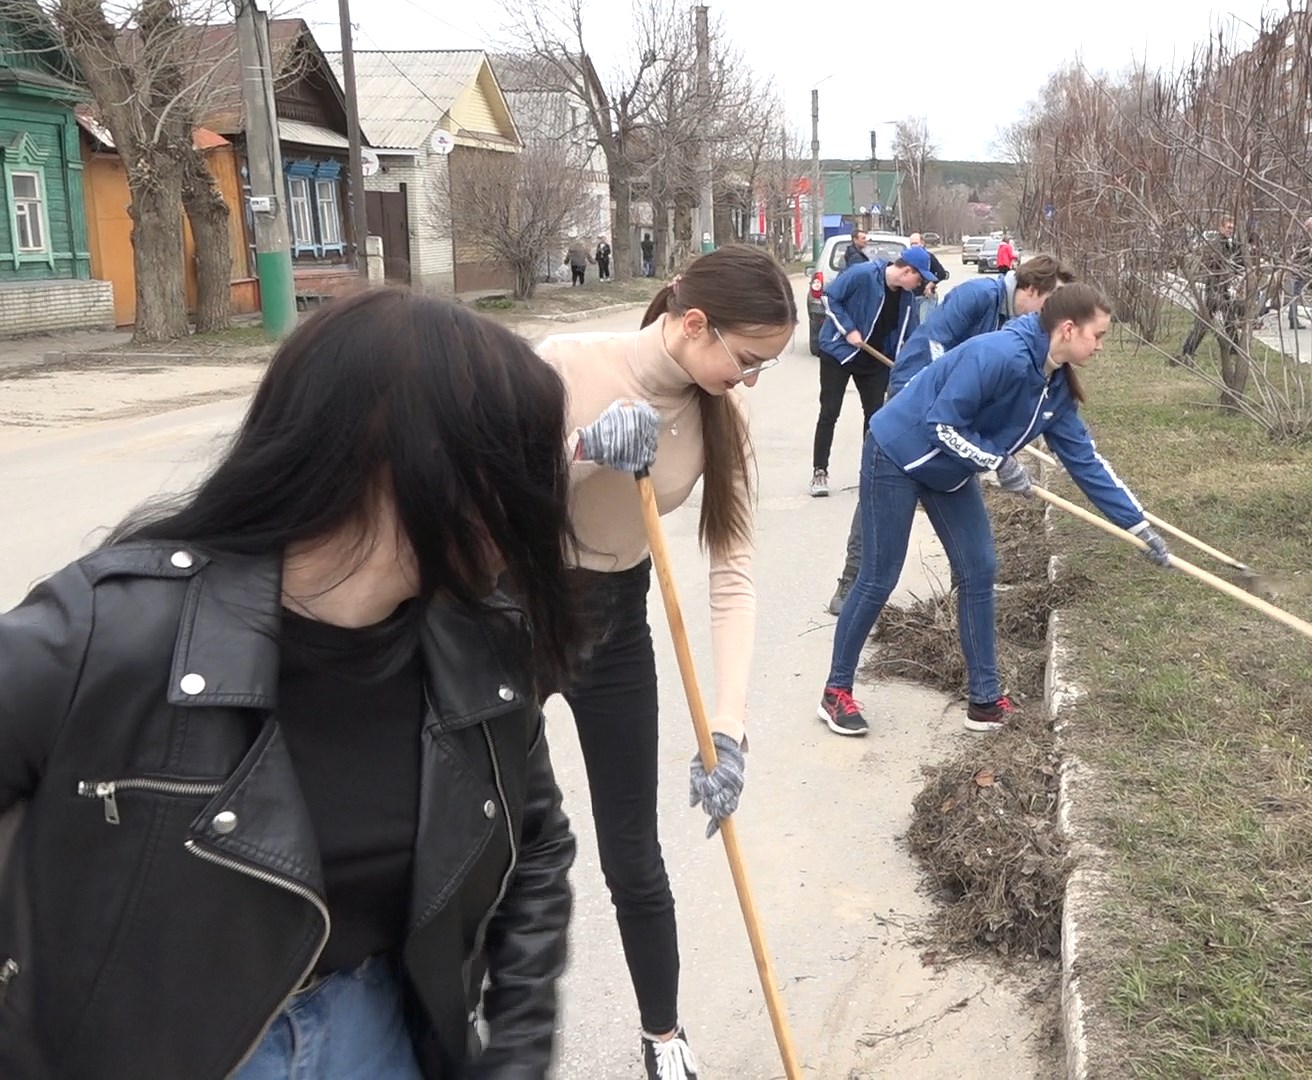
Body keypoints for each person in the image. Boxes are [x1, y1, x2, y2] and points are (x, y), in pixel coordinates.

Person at [0, 289, 589, 1078]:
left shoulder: (479, 641)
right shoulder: (105, 635)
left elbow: (536, 845)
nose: (538, 496)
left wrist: (516, 1051)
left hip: (377, 1035)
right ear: (418, 463)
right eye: (518, 460)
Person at [534, 244, 794, 1080]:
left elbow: (734, 574)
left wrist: (729, 728)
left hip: (615, 625)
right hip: (516, 616)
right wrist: (576, 451)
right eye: (746, 361)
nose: (748, 380)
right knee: (493, 838)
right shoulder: (567, 366)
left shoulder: (720, 415)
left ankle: (663, 1036)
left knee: (633, 854)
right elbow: (477, 498)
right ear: (694, 324)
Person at [816, 283, 1170, 737]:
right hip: (897, 454)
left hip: (949, 470)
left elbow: (1086, 463)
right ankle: (836, 691)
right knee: (880, 573)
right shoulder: (999, 355)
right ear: (1067, 329)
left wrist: (1137, 526)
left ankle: (984, 700)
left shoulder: (1055, 387)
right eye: (1097, 336)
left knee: (980, 569)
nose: (1100, 346)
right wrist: (998, 461)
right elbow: (941, 423)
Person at [824, 254, 1075, 615]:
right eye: (1051, 303)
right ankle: (851, 583)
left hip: (956, 411)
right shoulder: (978, 296)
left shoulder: (1021, 322)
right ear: (1031, 289)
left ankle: (968, 585)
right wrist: (938, 400)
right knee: (882, 491)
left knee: (957, 482)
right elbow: (935, 344)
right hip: (915, 396)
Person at [810, 245, 937, 497]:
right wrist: (848, 330)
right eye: (919, 278)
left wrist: (918, 367)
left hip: (875, 360)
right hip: (840, 352)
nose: (921, 284)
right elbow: (828, 297)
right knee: (830, 411)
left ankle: (869, 473)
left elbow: (912, 337)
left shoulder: (908, 300)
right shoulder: (863, 274)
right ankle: (819, 471)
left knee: (875, 418)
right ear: (907, 271)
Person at [1177, 220, 1243, 362]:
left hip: (1222, 286)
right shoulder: (1216, 244)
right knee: (1206, 320)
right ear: (1221, 227)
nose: (1230, 230)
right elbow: (1213, 263)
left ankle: (1234, 349)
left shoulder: (1227, 243)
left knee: (1228, 318)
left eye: (1232, 227)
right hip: (1214, 287)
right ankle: (1189, 348)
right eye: (1228, 227)